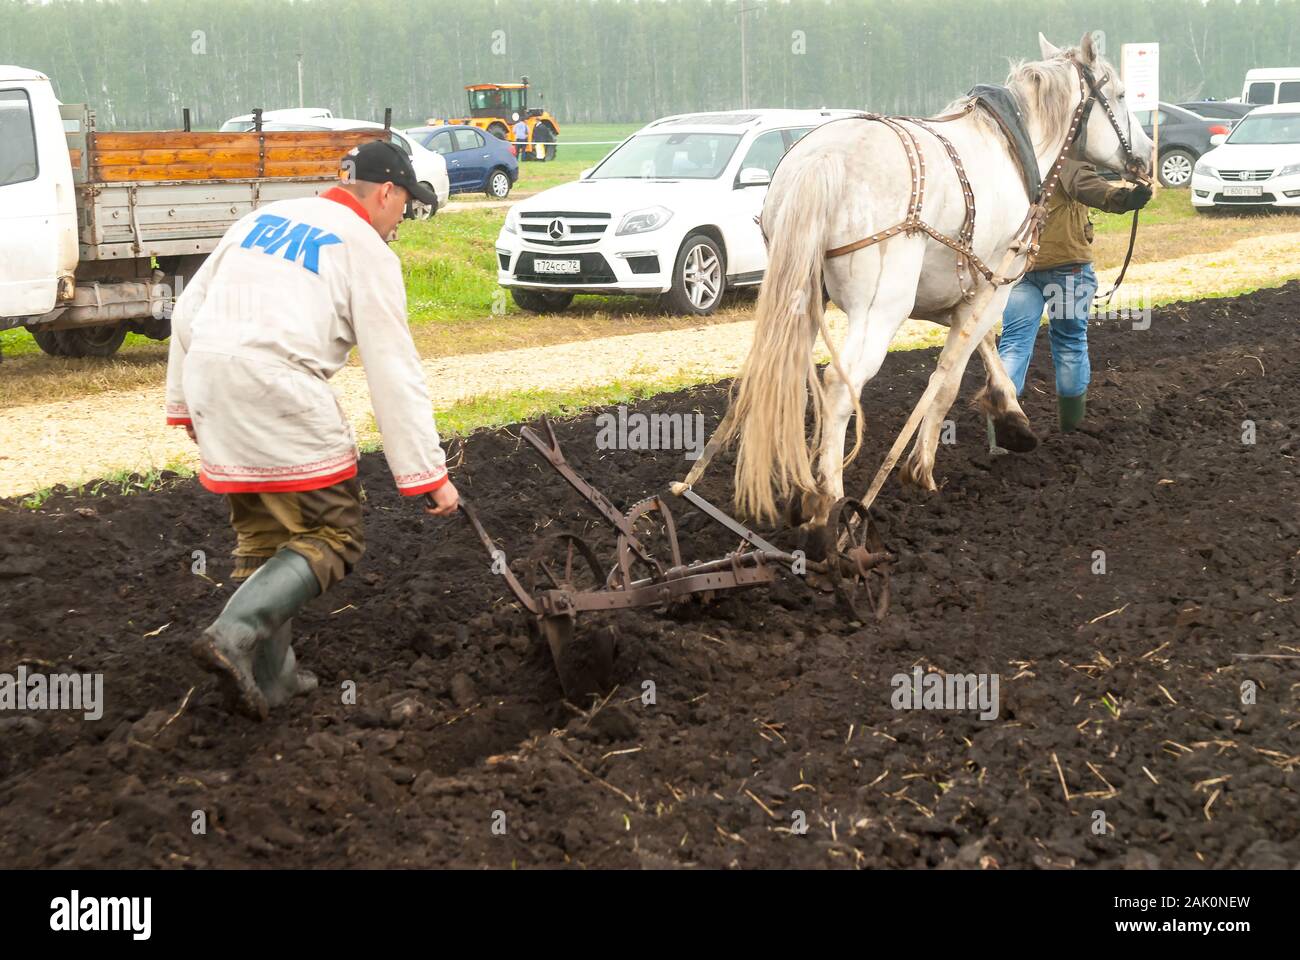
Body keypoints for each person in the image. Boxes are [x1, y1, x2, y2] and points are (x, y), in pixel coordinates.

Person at [165, 140, 460, 720]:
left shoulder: (261, 219)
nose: (402, 220)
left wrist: (185, 404)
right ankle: (234, 631)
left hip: (211, 377)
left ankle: (274, 676)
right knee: (334, 535)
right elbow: (394, 370)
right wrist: (429, 474)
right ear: (385, 192)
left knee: (265, 539)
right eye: (406, 205)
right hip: (279, 387)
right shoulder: (364, 250)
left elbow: (185, 312)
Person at [994, 159, 1151, 437]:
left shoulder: (1018, 160)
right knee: (1069, 344)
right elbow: (1097, 192)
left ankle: (1000, 434)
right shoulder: (1068, 164)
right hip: (1069, 269)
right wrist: (1129, 198)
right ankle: (1072, 433)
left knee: (1013, 344)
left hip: (1020, 267)